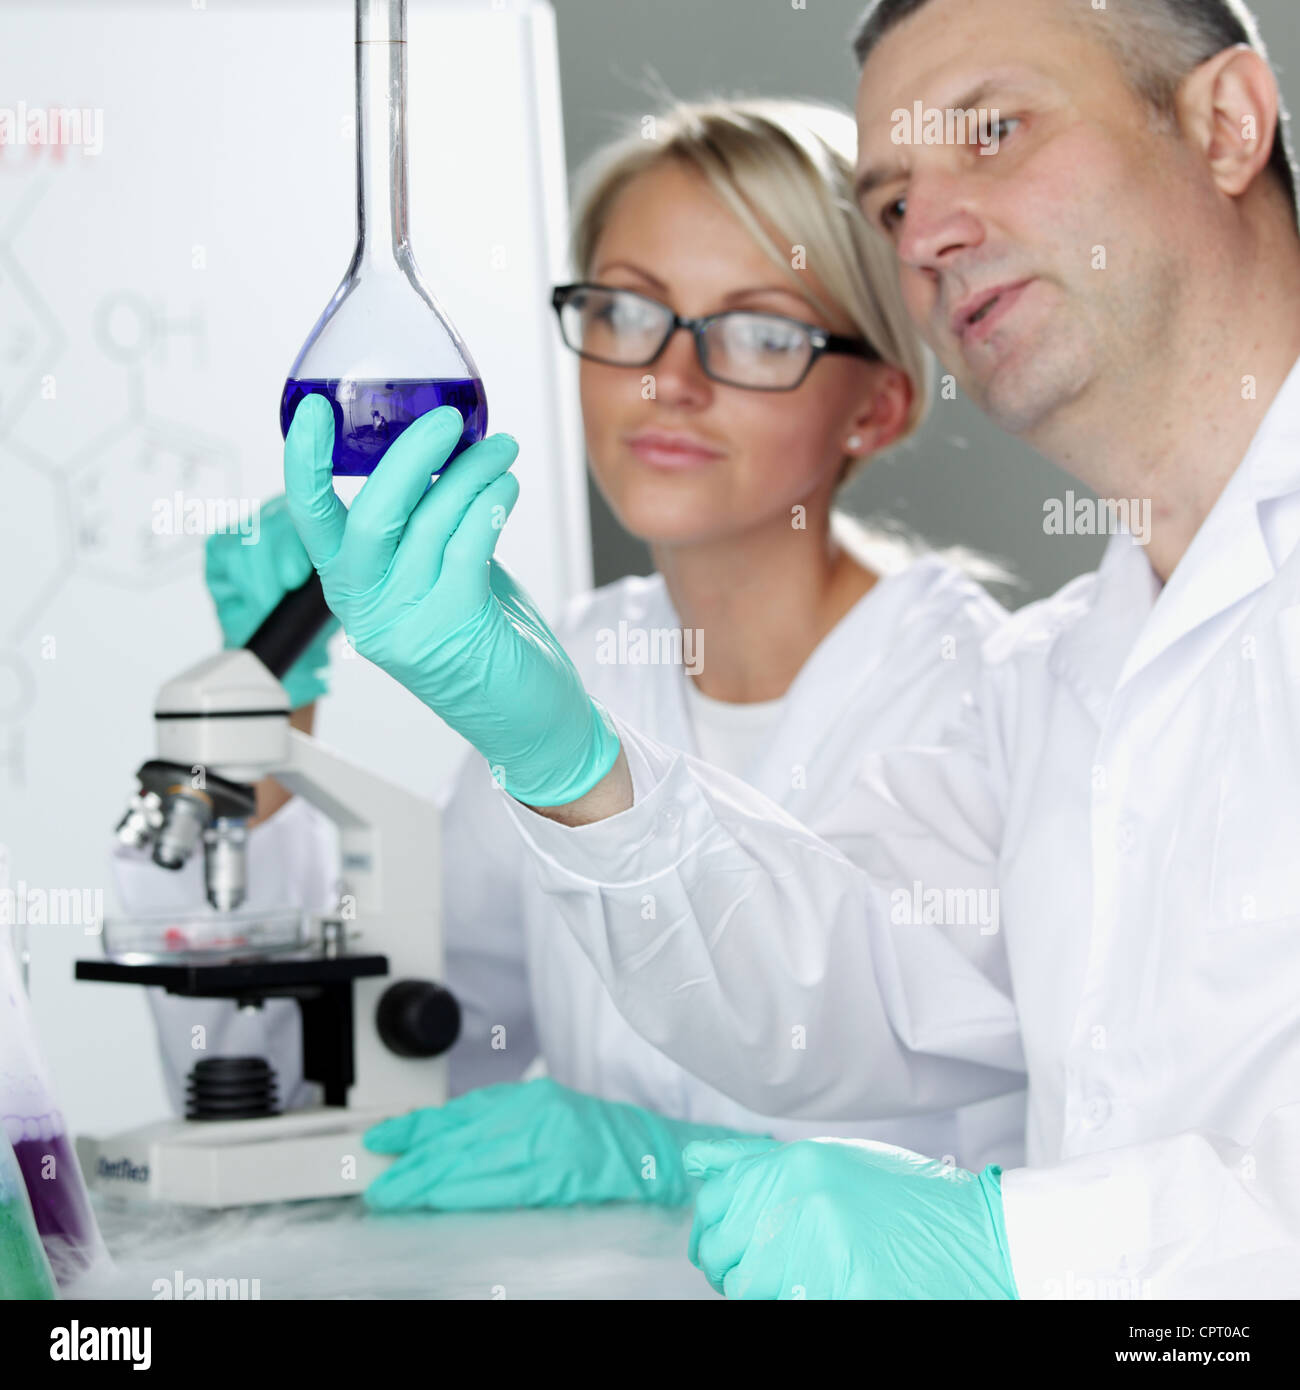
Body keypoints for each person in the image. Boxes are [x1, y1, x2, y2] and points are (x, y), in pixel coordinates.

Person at [281, 0, 1300, 1297]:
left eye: (994, 130)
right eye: (888, 202)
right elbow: (846, 987)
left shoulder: (967, 665)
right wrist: (568, 756)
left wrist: (1019, 1247)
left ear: (1225, 124)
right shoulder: (1062, 678)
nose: (926, 235)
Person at [115, 98, 1026, 1209]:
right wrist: (270, 721)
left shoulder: (976, 692)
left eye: (759, 330)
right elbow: (368, 1064)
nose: (666, 380)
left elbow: (986, 1136)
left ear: (877, 407)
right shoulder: (586, 661)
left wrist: (663, 1161)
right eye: (627, 308)